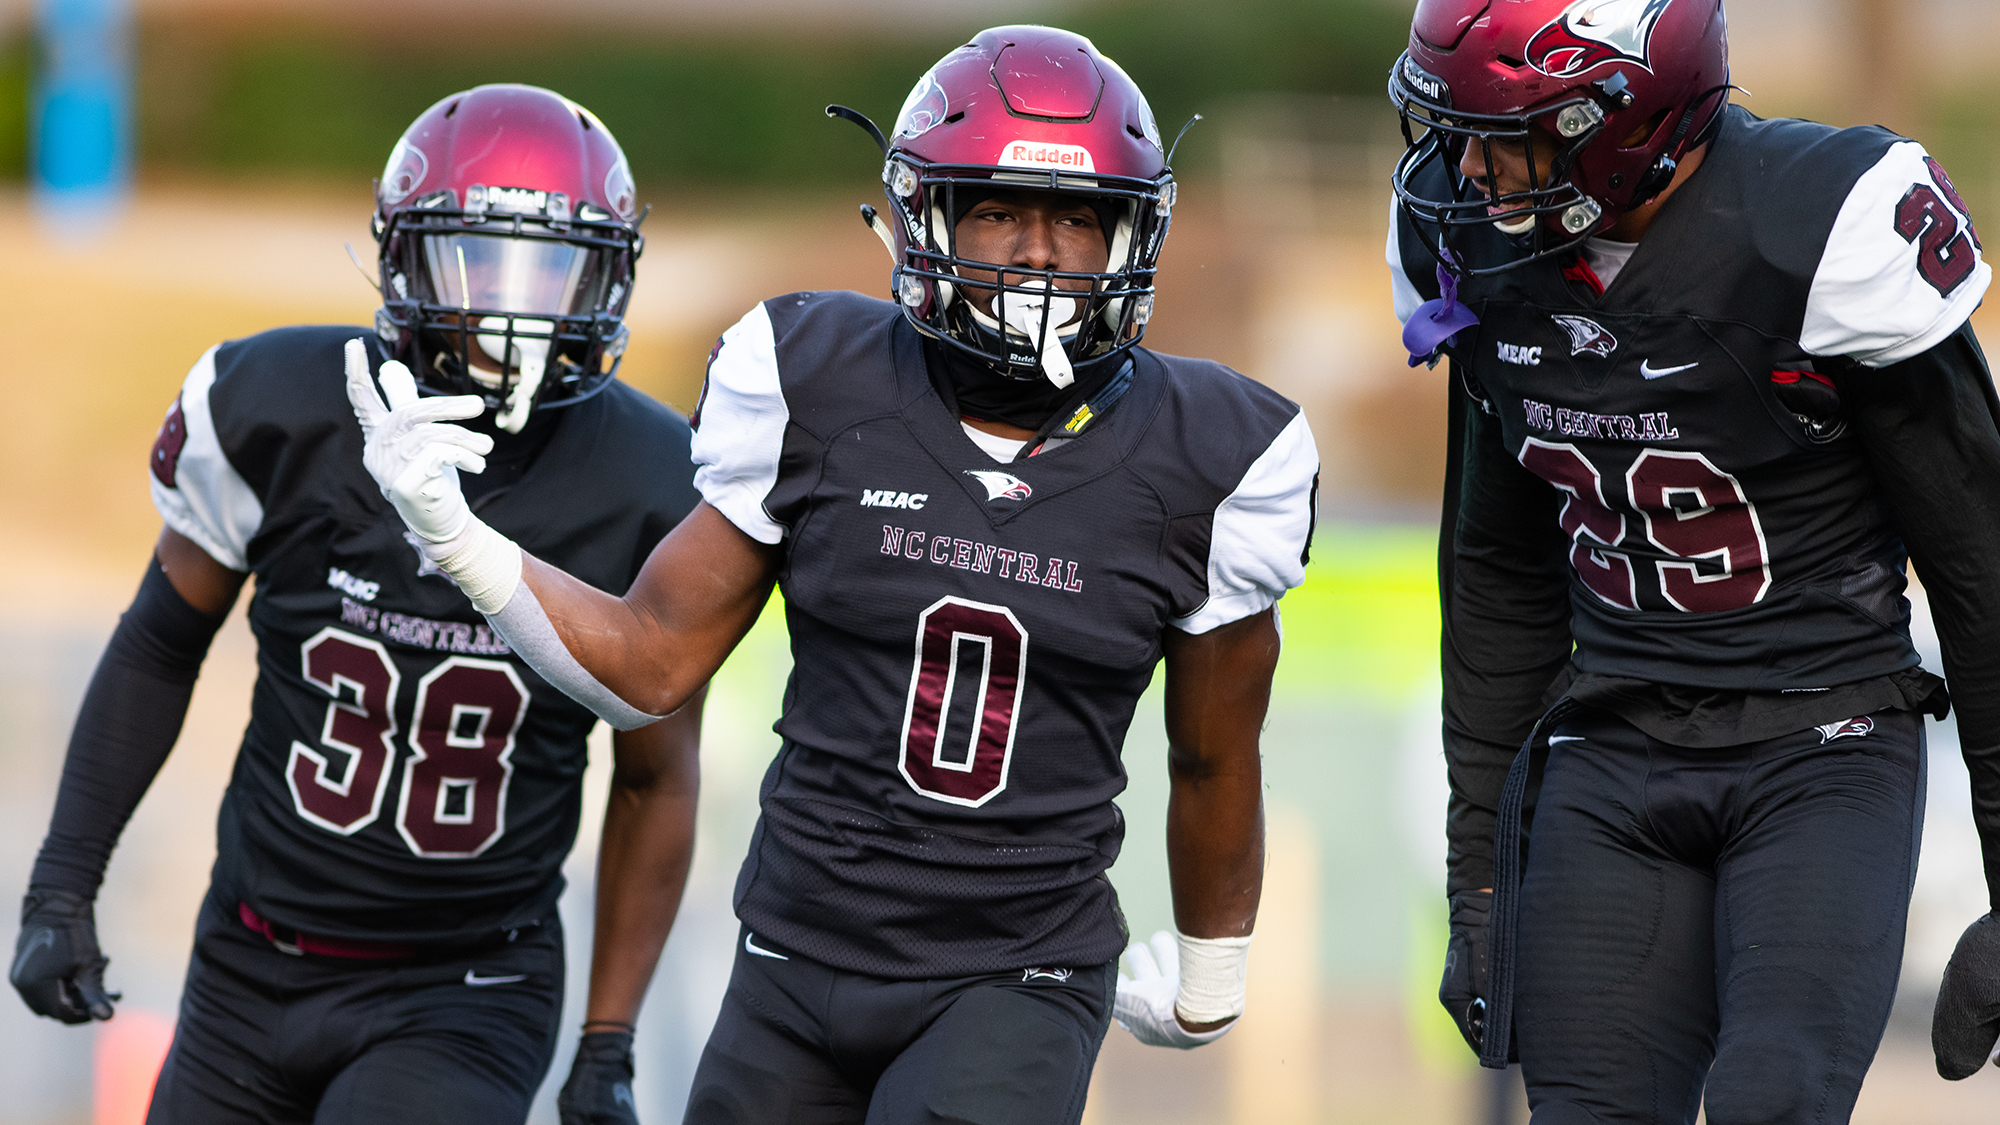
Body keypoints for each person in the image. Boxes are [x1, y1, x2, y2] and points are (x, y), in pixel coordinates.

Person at [346, 25, 1319, 1125]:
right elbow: (649, 667)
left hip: (1014, 970)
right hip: (793, 957)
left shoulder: (1216, 452)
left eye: (1076, 218)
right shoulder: (815, 380)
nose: (1039, 251)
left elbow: (1211, 754)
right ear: (920, 218)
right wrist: (456, 535)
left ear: (1129, 238)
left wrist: (1212, 962)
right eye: (998, 209)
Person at [9, 84, 706, 1125]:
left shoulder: (653, 480)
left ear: (607, 278)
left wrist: (606, 1041)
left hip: (465, 986)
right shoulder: (283, 404)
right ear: (401, 259)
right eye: (477, 261)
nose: (512, 309)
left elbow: (656, 771)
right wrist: (62, 884)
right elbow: (160, 643)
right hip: (246, 961)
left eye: (550, 269)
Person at [1384, 0, 2000, 1119]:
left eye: (1504, 135)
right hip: (1610, 740)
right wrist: (1475, 881)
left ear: (1626, 119)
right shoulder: (1468, 240)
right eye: (1453, 127)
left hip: (1822, 741)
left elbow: (1979, 569)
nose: (1466, 172)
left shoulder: (1814, 221)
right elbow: (1496, 576)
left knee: (1771, 1100)